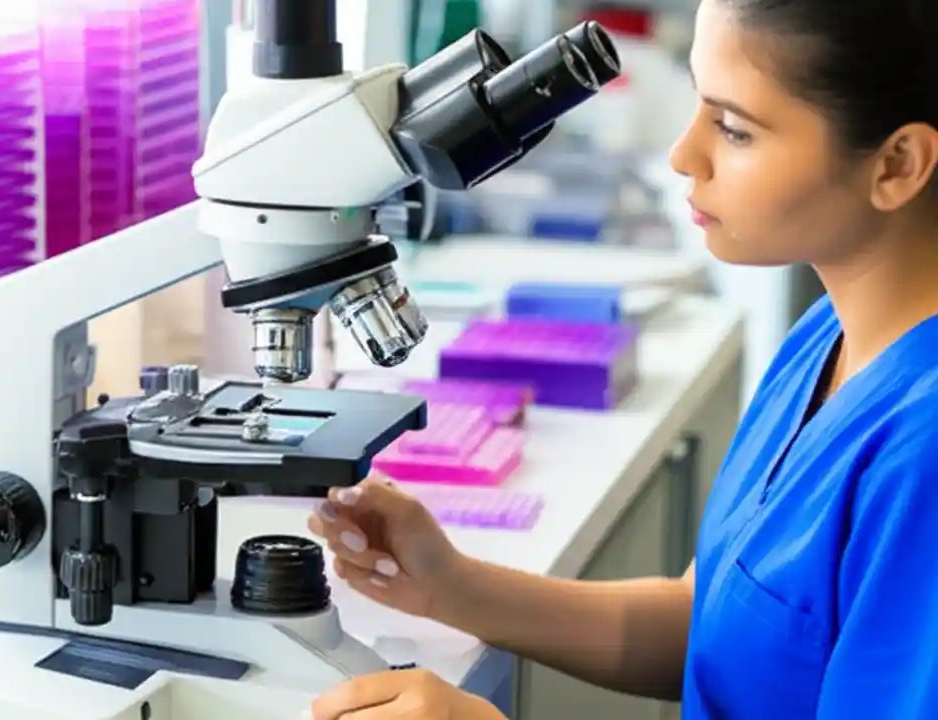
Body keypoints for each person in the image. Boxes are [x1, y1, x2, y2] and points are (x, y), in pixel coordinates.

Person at [304, 0, 938, 717]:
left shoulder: (923, 455)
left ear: (898, 164)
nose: (683, 154)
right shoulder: (829, 334)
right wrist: (450, 585)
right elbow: (710, 631)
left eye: (733, 128)